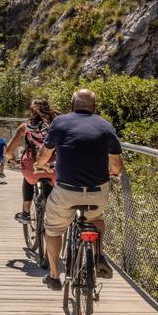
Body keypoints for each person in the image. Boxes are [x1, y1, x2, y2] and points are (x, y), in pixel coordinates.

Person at [35, 89, 121, 290]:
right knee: (96, 219)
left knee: (54, 229)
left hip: (66, 190)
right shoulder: (106, 126)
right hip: (97, 191)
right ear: (94, 107)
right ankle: (98, 254)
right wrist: (114, 173)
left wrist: (41, 165)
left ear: (71, 106)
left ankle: (55, 275)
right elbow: (116, 165)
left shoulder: (60, 123)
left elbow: (44, 154)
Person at [3, 98, 57, 222]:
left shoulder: (25, 127)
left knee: (28, 180)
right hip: (53, 166)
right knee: (54, 182)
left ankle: (26, 213)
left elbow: (9, 151)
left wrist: (13, 159)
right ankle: (53, 213)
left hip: (31, 167)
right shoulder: (55, 126)